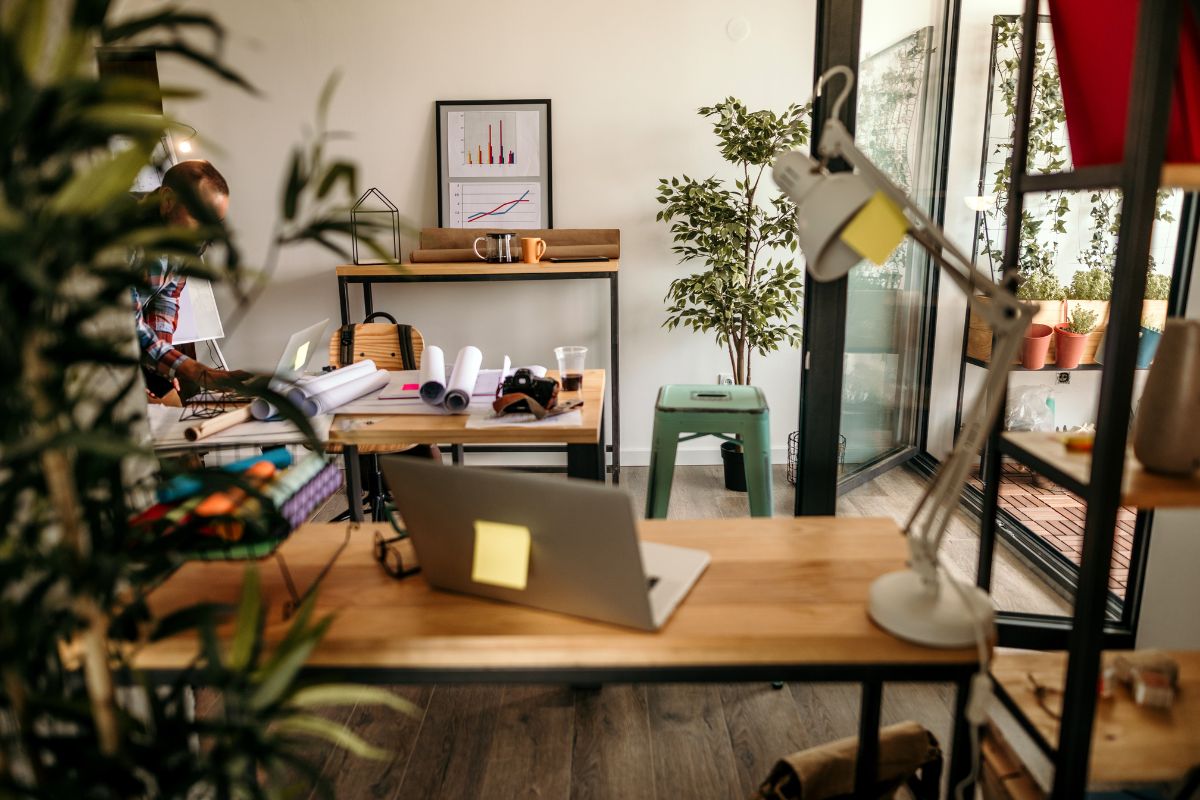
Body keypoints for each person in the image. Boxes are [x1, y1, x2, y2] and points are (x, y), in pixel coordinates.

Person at [133, 160, 250, 398]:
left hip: (137, 346)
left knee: (171, 406)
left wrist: (161, 368)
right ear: (168, 201)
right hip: (94, 351)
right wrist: (190, 369)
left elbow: (166, 299)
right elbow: (125, 321)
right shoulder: (125, 239)